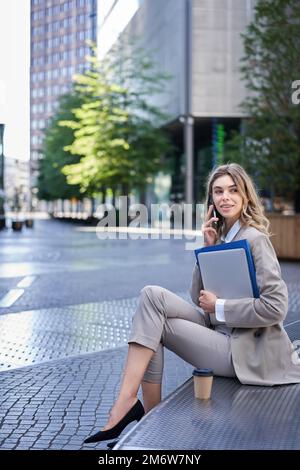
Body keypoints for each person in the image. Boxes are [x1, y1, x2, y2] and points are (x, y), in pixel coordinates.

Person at [84, 163, 300, 444]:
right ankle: (131, 404)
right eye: (218, 191)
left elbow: (276, 307)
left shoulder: (255, 239)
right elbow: (197, 296)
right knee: (151, 296)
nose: (225, 197)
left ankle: (141, 417)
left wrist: (220, 306)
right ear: (211, 200)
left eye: (233, 190)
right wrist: (207, 248)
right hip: (220, 331)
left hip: (246, 350)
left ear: (245, 195)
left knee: (155, 325)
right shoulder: (222, 236)